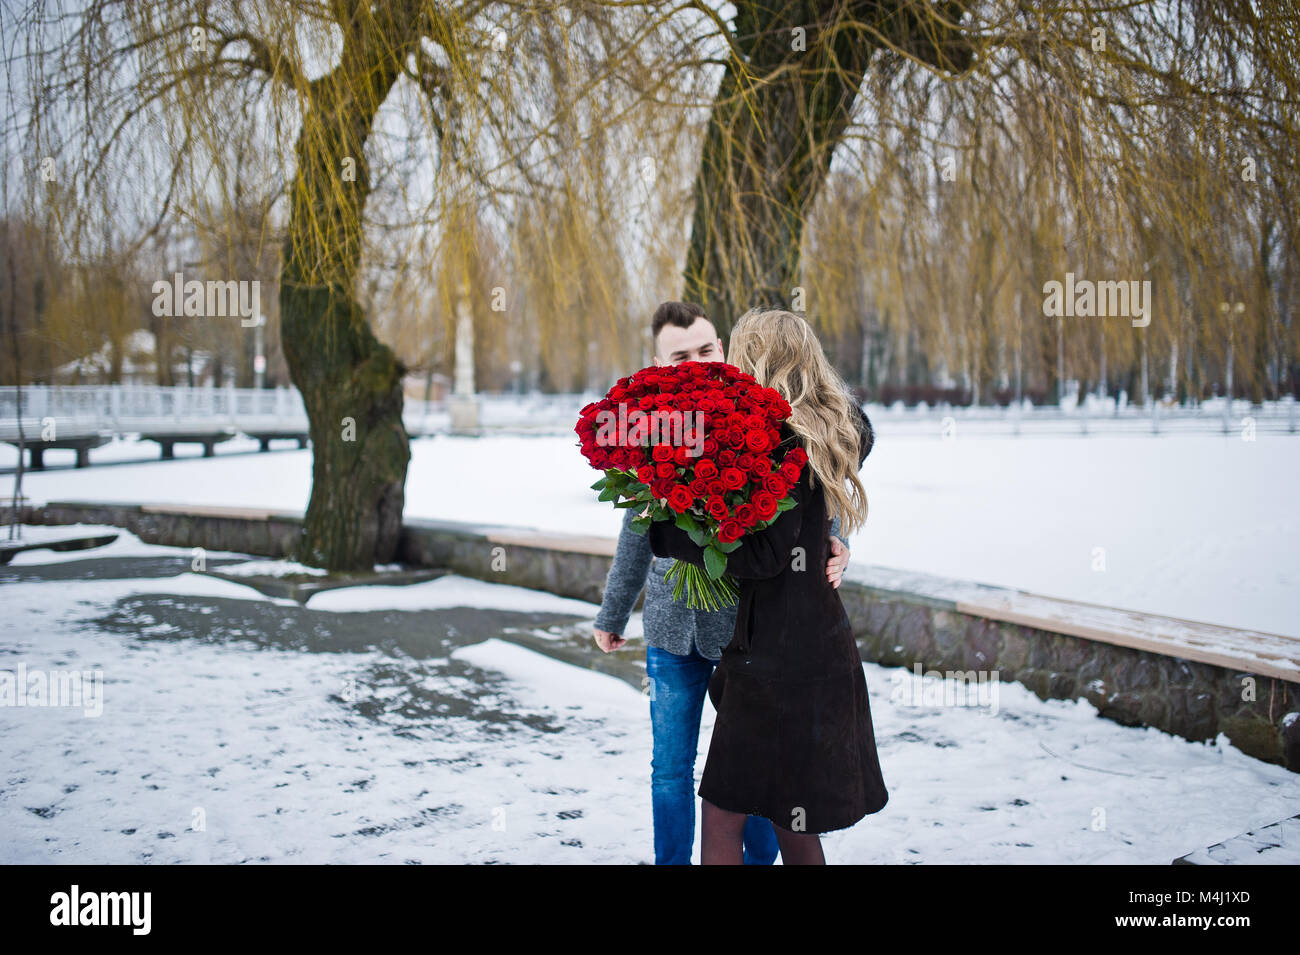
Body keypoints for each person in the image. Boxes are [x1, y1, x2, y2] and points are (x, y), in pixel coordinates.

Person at [592, 301, 853, 865]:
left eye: (707, 349)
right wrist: (613, 614)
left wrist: (840, 541)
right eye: (680, 355)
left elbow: (820, 480)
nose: (698, 362)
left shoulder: (752, 415)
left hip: (742, 631)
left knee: (750, 772)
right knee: (670, 766)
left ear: (726, 350)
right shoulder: (657, 425)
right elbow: (637, 531)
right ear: (658, 362)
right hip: (669, 630)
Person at [646, 306, 887, 865]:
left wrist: (671, 534)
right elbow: (806, 521)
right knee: (789, 811)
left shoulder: (778, 441)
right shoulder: (828, 432)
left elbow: (764, 555)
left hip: (773, 661)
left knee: (725, 808)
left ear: (760, 359)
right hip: (815, 643)